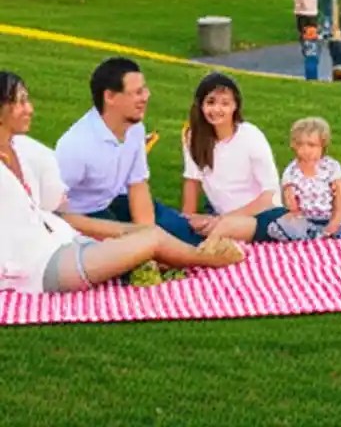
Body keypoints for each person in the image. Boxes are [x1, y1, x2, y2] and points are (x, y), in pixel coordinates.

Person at [1, 72, 243, 295]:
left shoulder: (22, 148)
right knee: (153, 239)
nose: (30, 109)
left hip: (62, 239)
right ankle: (205, 259)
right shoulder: (71, 143)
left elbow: (53, 201)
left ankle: (162, 259)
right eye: (20, 102)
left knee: (145, 233)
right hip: (40, 265)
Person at [55, 58, 202, 245]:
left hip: (115, 201)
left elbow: (137, 184)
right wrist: (133, 236)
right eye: (137, 93)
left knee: (187, 236)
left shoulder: (135, 128)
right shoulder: (76, 145)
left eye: (145, 90)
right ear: (110, 97)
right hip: (83, 217)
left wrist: (147, 235)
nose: (146, 97)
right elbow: (53, 211)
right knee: (126, 256)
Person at [181, 73, 322, 243]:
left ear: (235, 106)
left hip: (262, 214)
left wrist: (223, 220)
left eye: (225, 103)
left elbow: (269, 194)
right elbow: (192, 180)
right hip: (221, 215)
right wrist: (186, 220)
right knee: (178, 225)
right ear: (201, 105)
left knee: (223, 229)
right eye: (210, 102)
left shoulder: (250, 135)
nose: (217, 109)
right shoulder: (193, 137)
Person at [281, 118, 341, 239]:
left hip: (330, 218)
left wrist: (333, 225)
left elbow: (340, 201)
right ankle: (311, 234)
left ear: (323, 145)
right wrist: (301, 224)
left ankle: (327, 234)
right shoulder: (291, 172)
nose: (306, 150)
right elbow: (292, 207)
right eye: (300, 144)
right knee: (282, 228)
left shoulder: (331, 168)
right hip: (305, 220)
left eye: (311, 145)